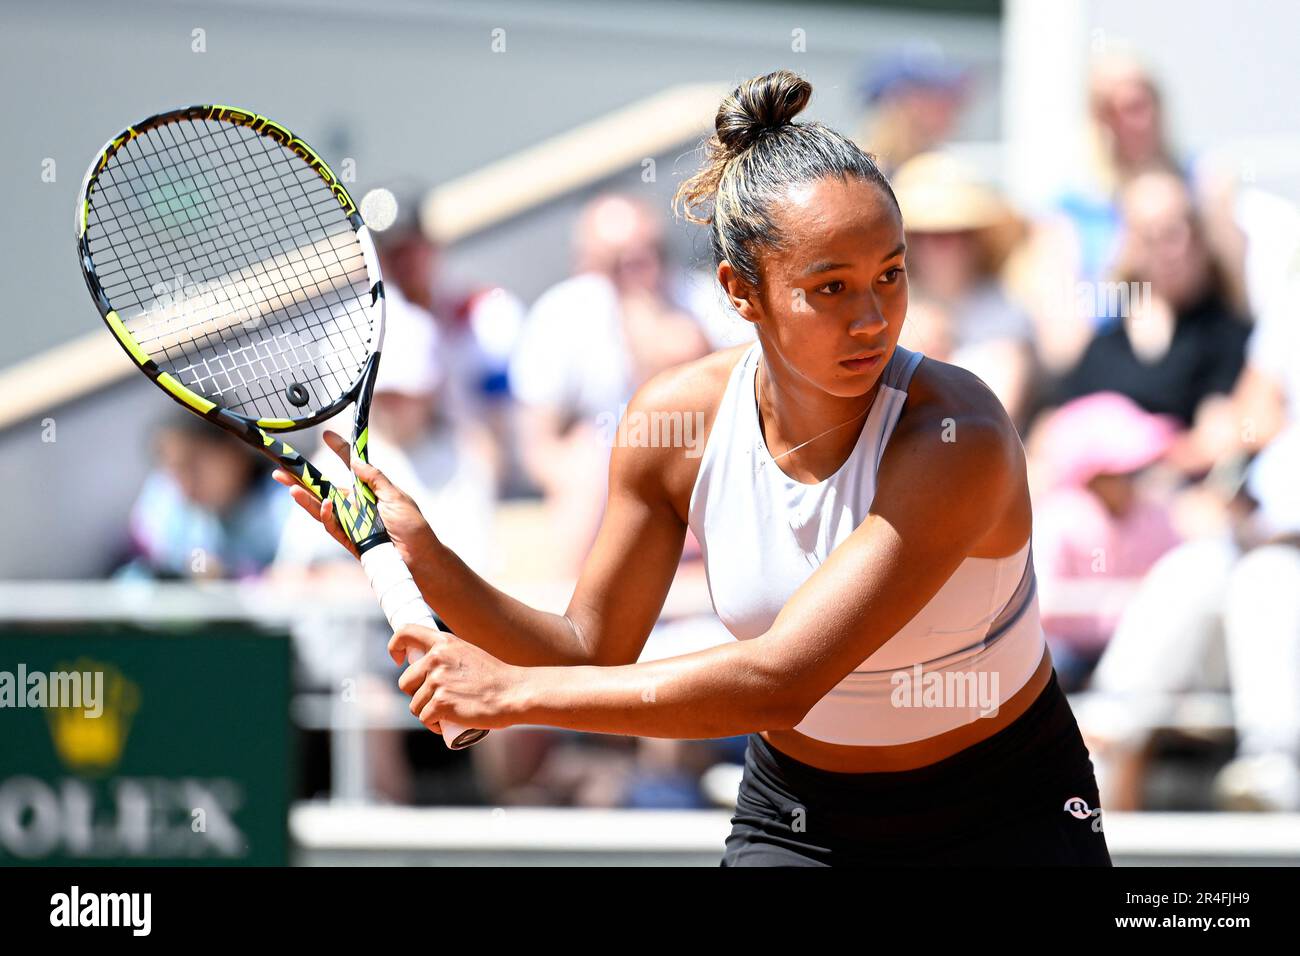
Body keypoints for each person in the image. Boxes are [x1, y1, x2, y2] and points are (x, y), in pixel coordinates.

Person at [277, 71, 1111, 866]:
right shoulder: (673, 429)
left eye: (890, 275)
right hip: (801, 817)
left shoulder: (959, 434)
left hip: (1003, 816)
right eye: (830, 287)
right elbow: (588, 653)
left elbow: (782, 679)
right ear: (739, 291)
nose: (872, 317)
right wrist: (426, 557)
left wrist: (506, 695)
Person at [889, 151, 1038, 431]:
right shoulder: (888, 304)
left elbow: (995, 413)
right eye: (923, 234)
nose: (938, 247)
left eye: (954, 233)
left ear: (976, 238)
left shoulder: (1004, 311)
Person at [116, 412, 289, 580]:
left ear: (232, 446)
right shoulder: (166, 498)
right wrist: (197, 566)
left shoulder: (287, 500)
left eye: (193, 467)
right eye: (175, 472)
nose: (186, 488)